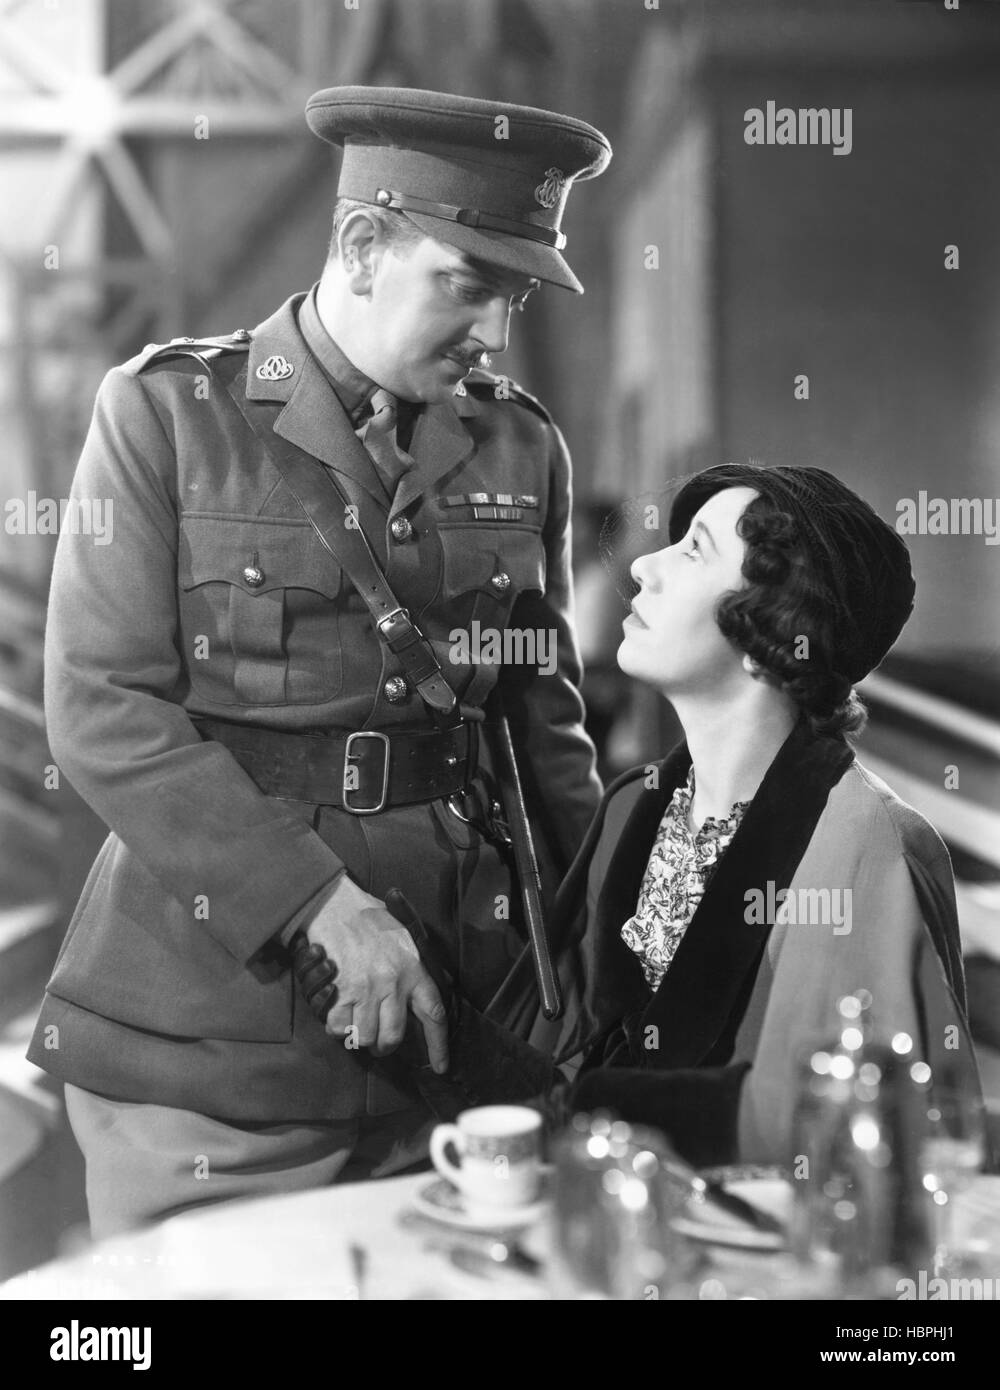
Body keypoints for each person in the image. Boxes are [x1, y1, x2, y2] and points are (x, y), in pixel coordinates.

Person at [28, 85, 609, 1237]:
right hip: (215, 1041)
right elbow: (101, 706)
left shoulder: (518, 444)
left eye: (514, 293)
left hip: (457, 1033)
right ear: (360, 244)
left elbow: (546, 736)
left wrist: (599, 942)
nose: (494, 331)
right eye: (468, 282)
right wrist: (315, 904)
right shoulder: (171, 416)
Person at [536, 463, 984, 1168]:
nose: (644, 566)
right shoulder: (631, 808)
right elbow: (559, 1046)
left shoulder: (862, 842)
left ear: (768, 628)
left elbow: (837, 1129)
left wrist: (597, 1109)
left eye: (692, 551)